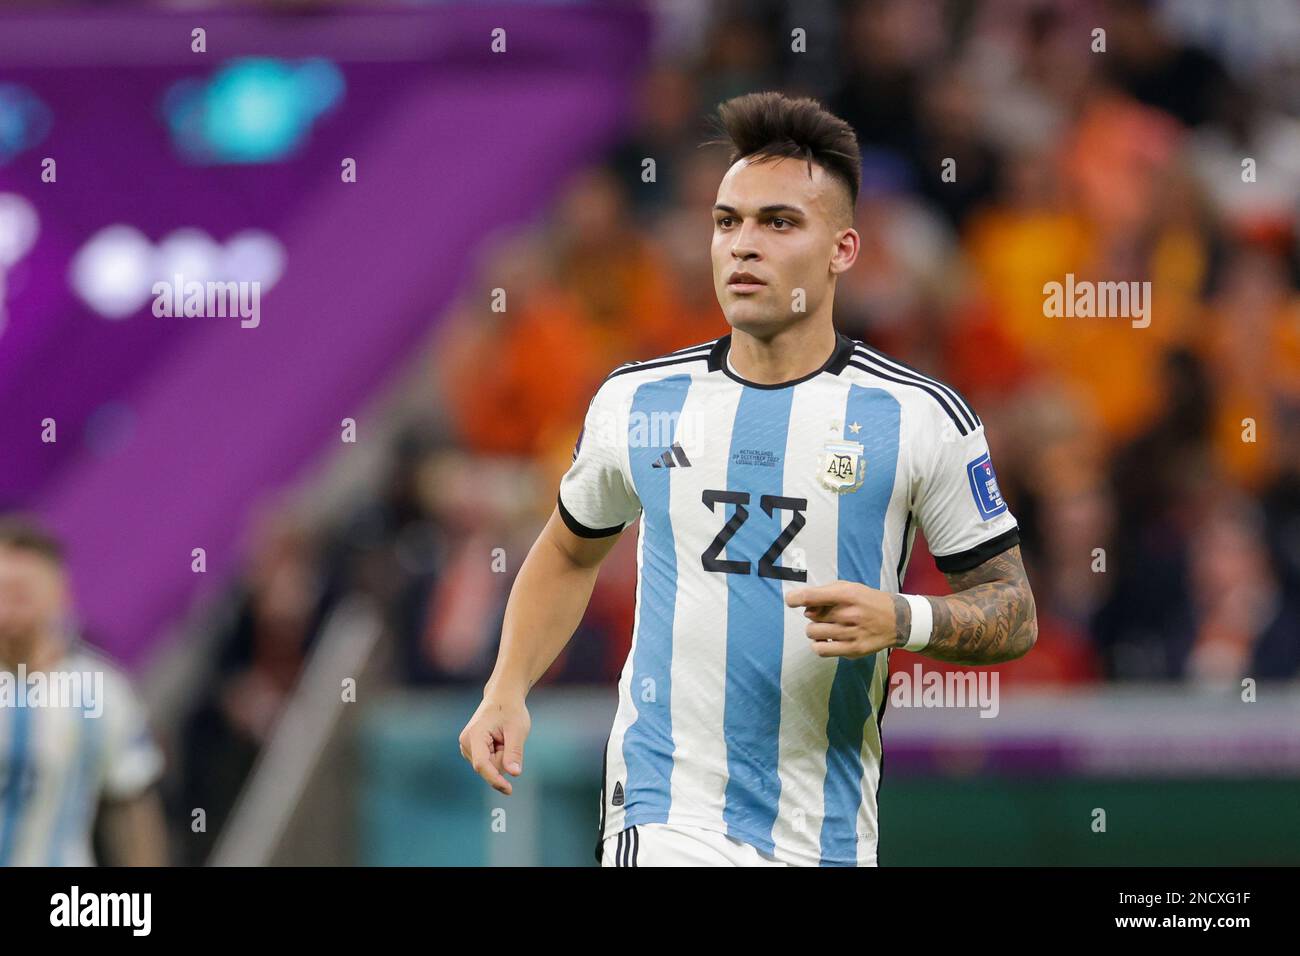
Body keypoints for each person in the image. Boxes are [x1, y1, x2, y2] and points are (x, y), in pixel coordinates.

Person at [460, 92, 1037, 867]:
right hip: (667, 813)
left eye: (779, 223)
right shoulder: (640, 403)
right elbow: (569, 549)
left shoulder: (920, 418)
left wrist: (904, 620)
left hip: (830, 833)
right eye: (727, 222)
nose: (743, 246)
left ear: (843, 250)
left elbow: (1012, 611)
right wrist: (506, 687)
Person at [0, 517, 167, 866]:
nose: (8, 607)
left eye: (21, 592)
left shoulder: (102, 691)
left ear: (61, 593)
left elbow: (132, 808)